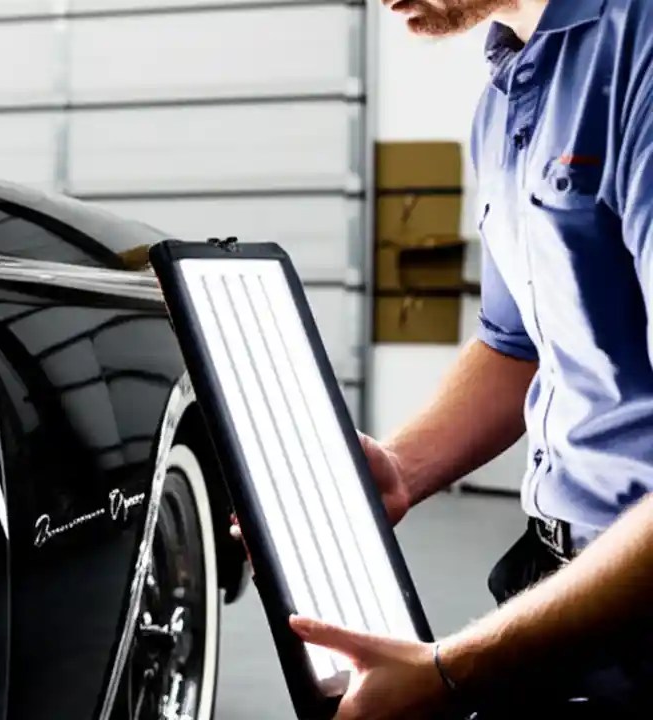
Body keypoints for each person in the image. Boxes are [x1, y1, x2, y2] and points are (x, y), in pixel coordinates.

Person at [275, 0, 653, 717]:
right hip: (551, 579)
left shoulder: (641, 58)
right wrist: (402, 467)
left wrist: (450, 671)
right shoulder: (505, 98)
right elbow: (517, 347)